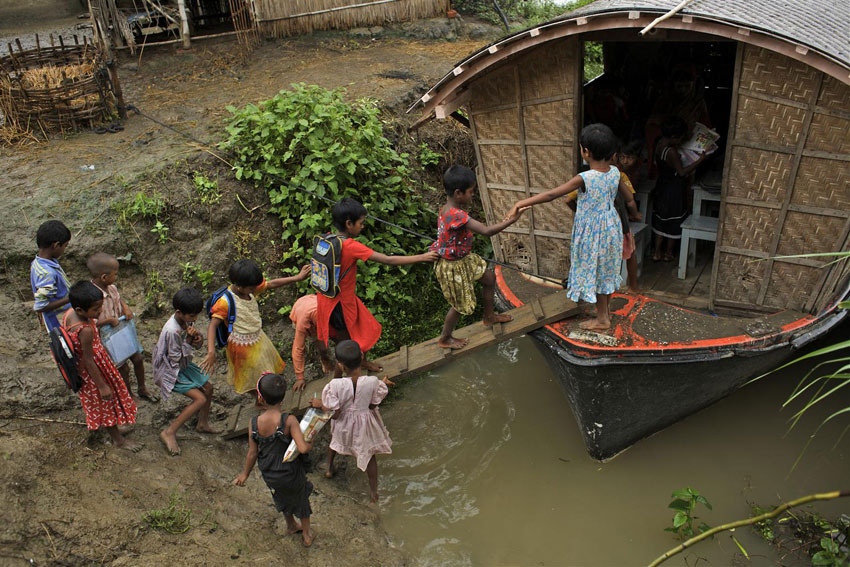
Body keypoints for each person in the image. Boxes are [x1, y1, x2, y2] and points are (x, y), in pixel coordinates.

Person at [508, 123, 641, 331]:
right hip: (611, 227)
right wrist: (631, 212)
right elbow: (629, 198)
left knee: (595, 271)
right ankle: (604, 313)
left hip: (592, 233)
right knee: (605, 269)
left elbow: (552, 194)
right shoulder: (615, 173)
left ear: (585, 152)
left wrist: (520, 203)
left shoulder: (585, 178)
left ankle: (602, 319)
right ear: (613, 153)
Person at [315, 198, 437, 372]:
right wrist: (422, 257)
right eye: (361, 223)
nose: (363, 226)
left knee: (349, 335)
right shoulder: (350, 246)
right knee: (352, 340)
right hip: (341, 303)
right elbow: (388, 260)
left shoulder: (327, 239)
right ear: (349, 224)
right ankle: (351, 371)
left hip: (326, 300)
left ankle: (351, 363)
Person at [432, 165, 519, 349]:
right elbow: (486, 231)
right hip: (454, 266)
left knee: (489, 278)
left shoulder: (446, 208)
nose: (473, 195)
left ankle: (489, 316)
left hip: (463, 259)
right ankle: (445, 338)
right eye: (471, 191)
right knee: (459, 305)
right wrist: (511, 220)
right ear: (458, 193)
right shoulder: (457, 215)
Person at [200, 260, 311, 395]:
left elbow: (270, 284)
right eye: (252, 288)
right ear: (239, 287)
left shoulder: (248, 289)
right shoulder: (224, 303)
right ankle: (261, 398)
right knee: (251, 377)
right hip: (242, 347)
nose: (256, 290)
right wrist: (211, 352)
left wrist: (297, 278)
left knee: (264, 370)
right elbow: (212, 325)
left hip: (257, 337)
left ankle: (265, 396)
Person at [233, 373, 315, 547]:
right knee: (301, 499)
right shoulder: (288, 420)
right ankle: (307, 534)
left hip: (269, 472)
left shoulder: (253, 423)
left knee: (280, 495)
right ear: (283, 397)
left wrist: (244, 474)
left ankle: (291, 525)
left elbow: (252, 452)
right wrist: (310, 442)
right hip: (290, 471)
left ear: (260, 398)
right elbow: (302, 448)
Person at [311, 340, 393, 503]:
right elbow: (373, 405)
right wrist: (383, 384)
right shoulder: (372, 382)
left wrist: (320, 404)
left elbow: (335, 414)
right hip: (365, 427)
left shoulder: (334, 386)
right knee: (370, 456)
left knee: (334, 442)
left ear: (340, 365)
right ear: (361, 356)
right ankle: (373, 493)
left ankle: (329, 468)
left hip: (343, 426)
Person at [63, 281, 140, 451]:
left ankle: (116, 431)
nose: (99, 312)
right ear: (80, 310)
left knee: (105, 403)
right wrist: (102, 385)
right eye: (96, 310)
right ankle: (118, 440)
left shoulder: (70, 314)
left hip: (89, 368)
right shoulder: (85, 330)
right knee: (106, 403)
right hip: (95, 372)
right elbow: (88, 359)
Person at [153, 287, 219, 456]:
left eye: (196, 315)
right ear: (179, 312)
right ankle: (169, 432)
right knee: (200, 399)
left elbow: (194, 345)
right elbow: (175, 358)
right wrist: (189, 340)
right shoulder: (172, 331)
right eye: (192, 316)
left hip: (183, 363)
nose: (195, 319)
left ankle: (202, 423)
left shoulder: (187, 320)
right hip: (171, 370)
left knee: (209, 388)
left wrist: (197, 339)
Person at [87, 252, 152, 401]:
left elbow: (119, 299)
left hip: (121, 330)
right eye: (115, 274)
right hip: (107, 337)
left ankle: (142, 388)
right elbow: (90, 322)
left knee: (138, 358)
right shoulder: (92, 296)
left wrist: (125, 308)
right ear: (104, 277)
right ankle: (128, 395)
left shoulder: (112, 288)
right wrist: (108, 320)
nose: (117, 276)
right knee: (123, 367)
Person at [651, 116, 707, 262]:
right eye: (680, 138)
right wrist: (700, 160)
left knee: (661, 218)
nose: (681, 140)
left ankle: (656, 252)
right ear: (674, 136)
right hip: (673, 188)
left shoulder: (659, 143)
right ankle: (669, 253)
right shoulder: (671, 152)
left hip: (662, 184)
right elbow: (682, 172)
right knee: (674, 219)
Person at [612, 141, 644, 292]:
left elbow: (568, 199)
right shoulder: (620, 176)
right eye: (623, 157)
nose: (626, 161)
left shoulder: (586, 177)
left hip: (601, 223)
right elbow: (630, 201)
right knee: (630, 253)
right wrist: (635, 214)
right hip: (620, 221)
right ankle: (634, 287)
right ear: (616, 157)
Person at [31, 220, 72, 333]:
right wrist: (70, 298)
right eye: (65, 246)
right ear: (56, 245)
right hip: (61, 323)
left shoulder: (39, 262)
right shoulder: (47, 274)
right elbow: (41, 306)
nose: (64, 249)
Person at [290, 294, 334, 392]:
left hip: (311, 301)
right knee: (320, 344)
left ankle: (324, 357)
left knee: (324, 345)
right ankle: (324, 359)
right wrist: (300, 377)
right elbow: (297, 349)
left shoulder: (329, 310)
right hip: (300, 309)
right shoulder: (302, 324)